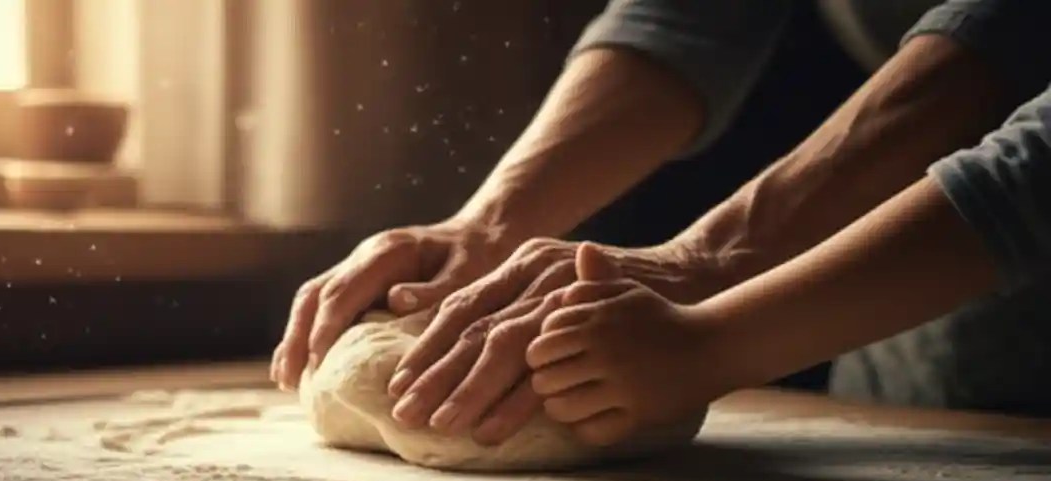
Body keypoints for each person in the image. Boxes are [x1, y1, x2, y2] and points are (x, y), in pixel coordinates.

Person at [271, 0, 1051, 447]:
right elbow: (691, 17)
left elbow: (1015, 62)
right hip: (906, 344)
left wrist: (708, 298)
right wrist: (488, 226)